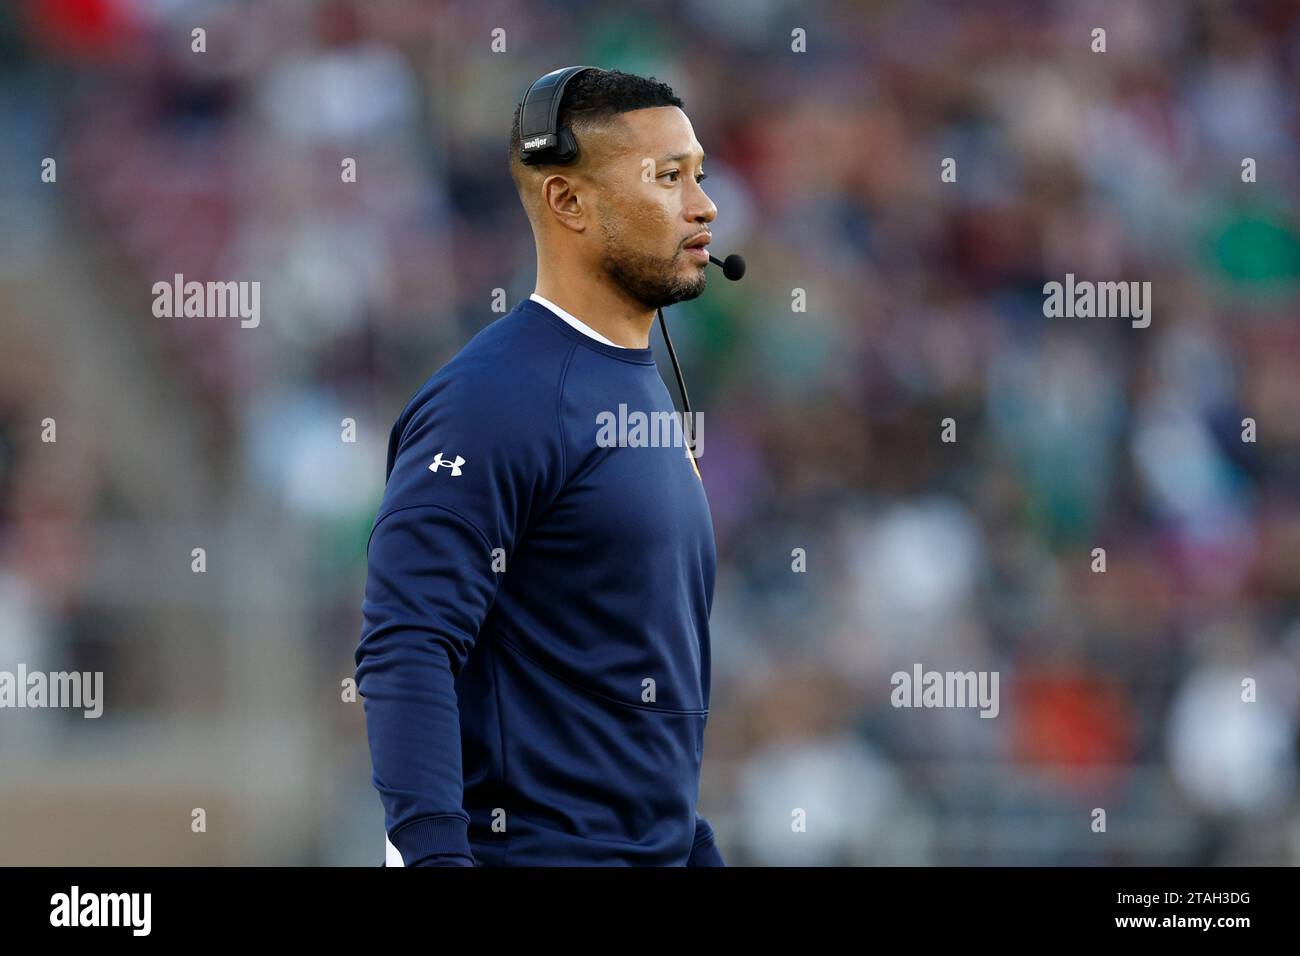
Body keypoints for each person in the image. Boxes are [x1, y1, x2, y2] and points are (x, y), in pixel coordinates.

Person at [355, 67, 725, 866]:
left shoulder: (643, 390)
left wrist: (687, 845)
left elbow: (627, 674)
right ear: (568, 202)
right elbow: (407, 642)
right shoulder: (493, 399)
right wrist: (434, 857)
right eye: (669, 178)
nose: (704, 205)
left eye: (699, 174)